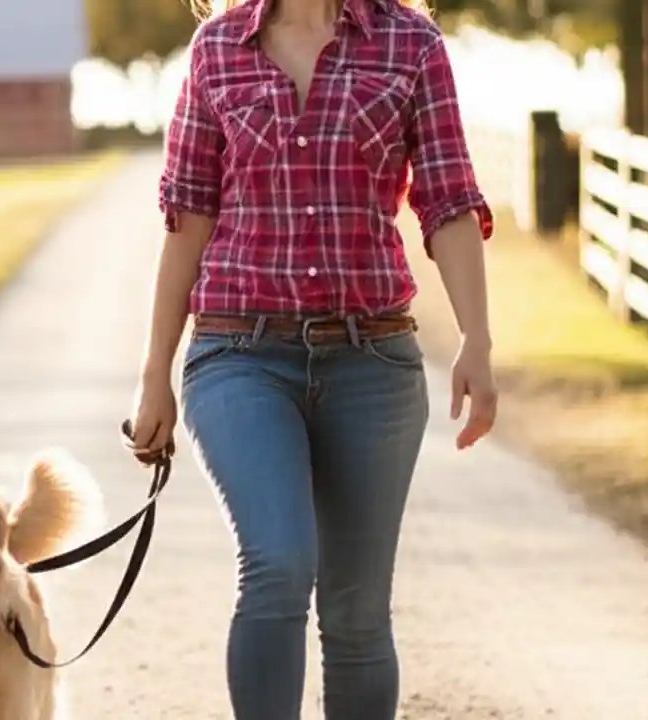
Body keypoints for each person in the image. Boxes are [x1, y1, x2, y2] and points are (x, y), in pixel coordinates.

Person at [127, 0, 497, 718]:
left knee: (358, 612)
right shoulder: (217, 48)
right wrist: (154, 375)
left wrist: (477, 341)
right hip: (239, 352)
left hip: (373, 359)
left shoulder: (410, 43)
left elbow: (448, 201)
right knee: (278, 563)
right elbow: (188, 218)